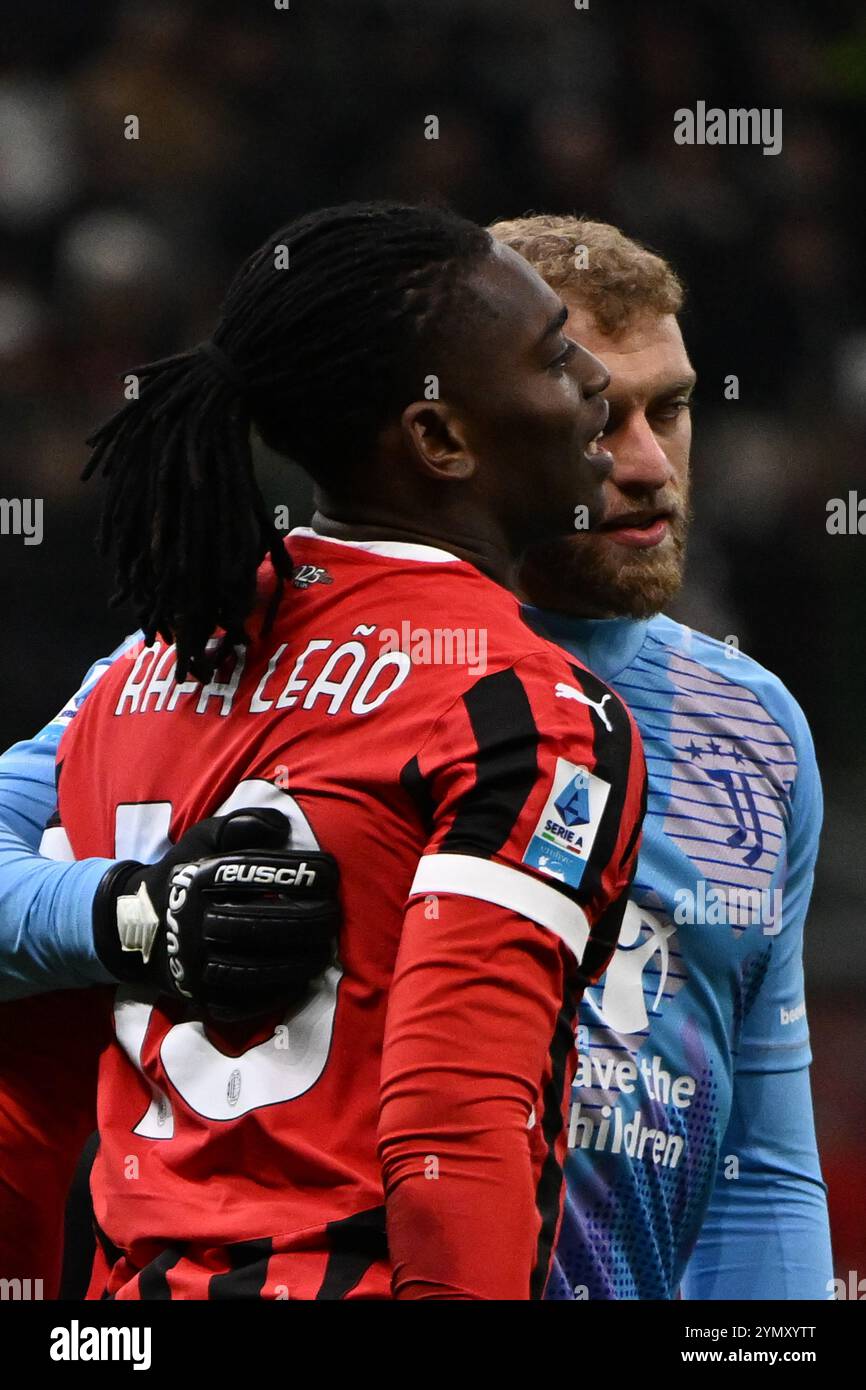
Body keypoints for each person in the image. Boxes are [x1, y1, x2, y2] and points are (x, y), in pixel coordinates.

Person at [5, 200, 646, 1300]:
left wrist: (120, 915)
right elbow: (454, 1131)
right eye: (554, 356)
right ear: (438, 439)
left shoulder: (149, 666)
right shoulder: (526, 708)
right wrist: (141, 912)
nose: (597, 380)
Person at [488, 214, 832, 1300]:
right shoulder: (319, 667)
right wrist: (146, 915)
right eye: (599, 416)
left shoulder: (753, 725)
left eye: (670, 410)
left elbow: (761, 1172)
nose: (647, 468)